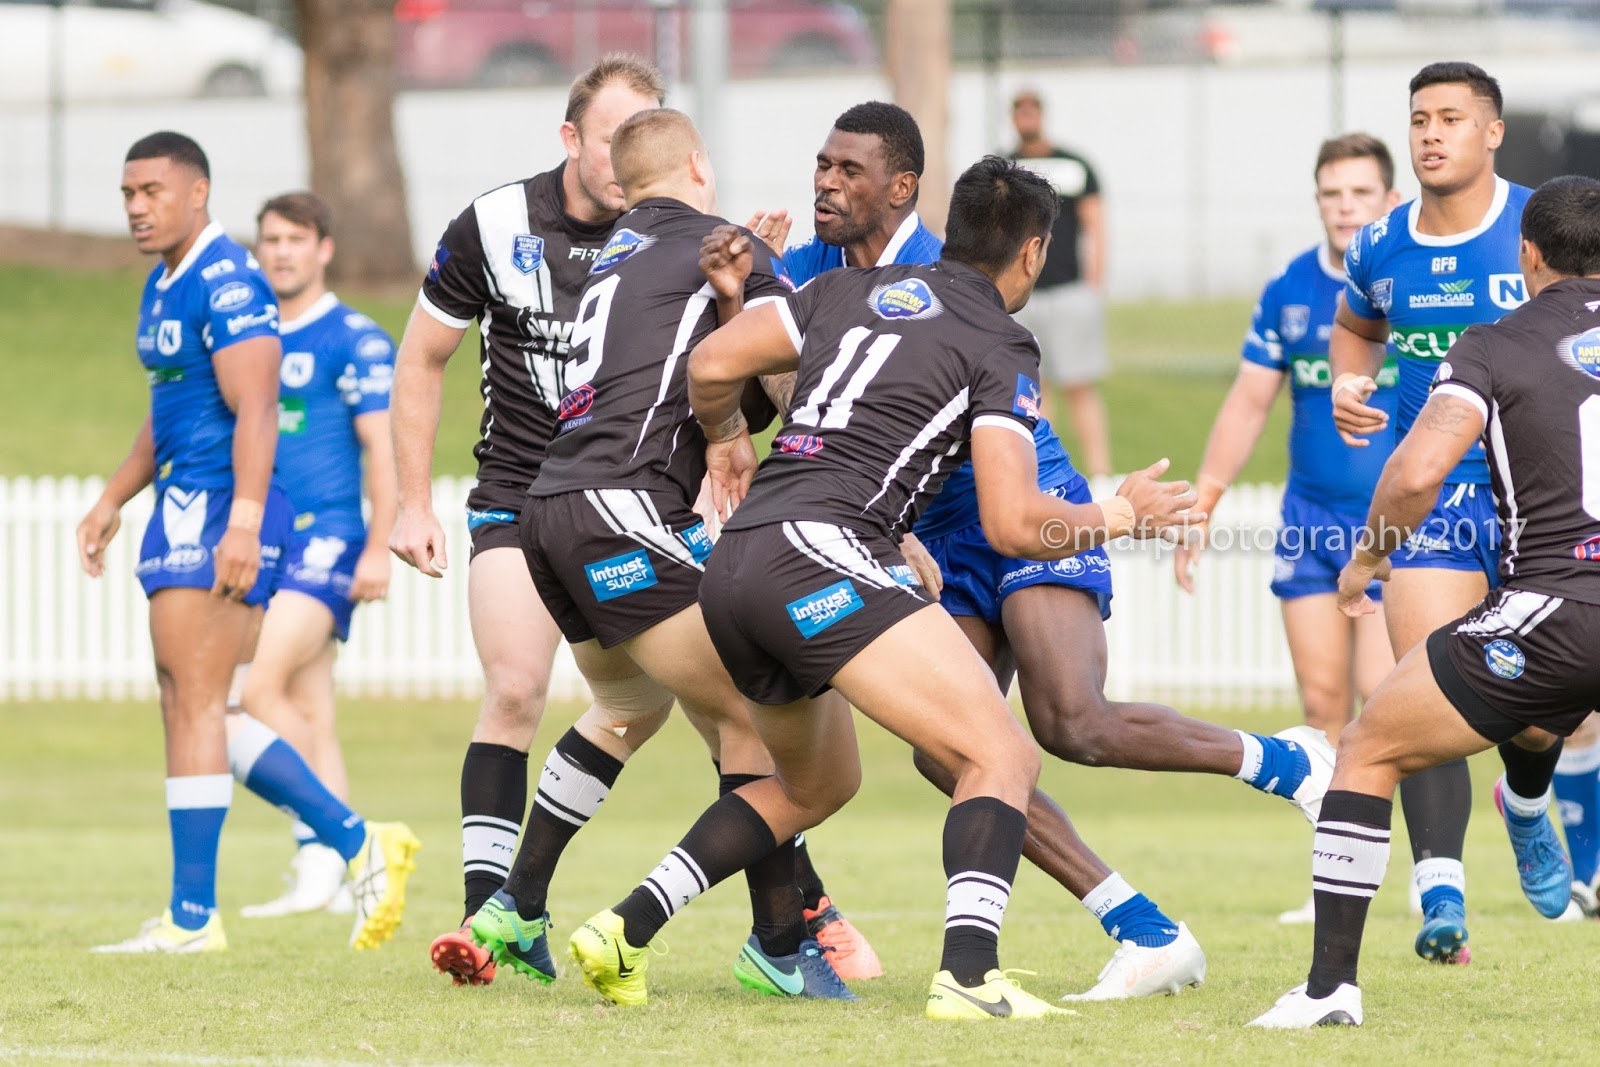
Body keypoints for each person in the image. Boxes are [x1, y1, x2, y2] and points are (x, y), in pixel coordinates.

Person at [564, 155, 1202, 1020]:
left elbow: (713, 361)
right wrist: (1118, 514)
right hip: (825, 553)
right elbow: (1014, 523)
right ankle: (970, 977)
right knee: (1000, 754)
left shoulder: (842, 291)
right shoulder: (1001, 341)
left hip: (737, 561)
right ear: (1033, 253)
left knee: (811, 787)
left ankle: (624, 927)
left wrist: (725, 436)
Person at [776, 102, 1334, 1000]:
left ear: (905, 192)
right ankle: (1143, 929)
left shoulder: (945, 273)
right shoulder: (806, 268)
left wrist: (1109, 511)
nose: (826, 186)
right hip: (941, 536)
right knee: (949, 747)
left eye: (847, 171)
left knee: (1072, 722)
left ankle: (1287, 761)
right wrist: (739, 296)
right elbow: (792, 391)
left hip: (1030, 509)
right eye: (823, 167)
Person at [389, 54, 872, 986]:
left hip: (549, 512)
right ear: (700, 170)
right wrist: (760, 293)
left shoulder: (611, 256)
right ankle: (777, 940)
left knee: (626, 704)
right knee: (754, 712)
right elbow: (778, 386)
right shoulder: (719, 242)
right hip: (619, 508)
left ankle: (512, 908)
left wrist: (732, 304)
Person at [1250, 174, 1600, 1029]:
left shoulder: (1493, 343)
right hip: (1554, 615)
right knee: (1521, 702)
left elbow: (1412, 474)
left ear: (1527, 255)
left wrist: (1365, 561)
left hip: (1564, 609)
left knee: (1370, 742)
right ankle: (1522, 799)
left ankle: (1330, 991)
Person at [77, 132, 417, 954]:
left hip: (223, 510)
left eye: (152, 190)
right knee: (193, 701)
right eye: (127, 192)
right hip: (183, 503)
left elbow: (257, 406)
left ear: (198, 193)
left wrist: (241, 519)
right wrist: (113, 497)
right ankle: (338, 848)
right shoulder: (166, 283)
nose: (135, 206)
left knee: (207, 699)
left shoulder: (227, 281)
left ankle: (225, 902)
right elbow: (170, 412)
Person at [1328, 61, 1576, 958]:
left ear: (1493, 132)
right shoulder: (1379, 243)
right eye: (1420, 118)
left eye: (1452, 119)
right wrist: (1352, 380)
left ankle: (1530, 797)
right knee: (1422, 686)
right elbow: (1357, 325)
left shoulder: (1538, 231)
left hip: (1534, 500)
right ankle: (1442, 896)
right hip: (1429, 495)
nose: (1432, 133)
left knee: (1539, 712)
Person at [1176, 134, 1402, 923]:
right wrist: (1203, 499)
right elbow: (1247, 402)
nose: (1345, 207)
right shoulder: (1288, 290)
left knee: (1383, 697)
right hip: (1309, 521)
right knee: (1321, 700)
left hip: (1396, 528)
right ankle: (1330, 877)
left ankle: (1411, 870)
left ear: (1388, 199)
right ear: (1318, 201)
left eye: (1360, 194)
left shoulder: (1408, 280)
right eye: (1332, 194)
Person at [236, 192, 400, 917]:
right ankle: (337, 871)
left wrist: (380, 544)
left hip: (328, 538)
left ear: (324, 248)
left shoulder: (354, 338)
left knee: (257, 692)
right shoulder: (251, 337)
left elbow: (382, 447)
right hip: (266, 545)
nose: (280, 251)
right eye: (269, 239)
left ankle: (342, 841)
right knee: (311, 708)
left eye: (295, 238)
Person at [1008, 89, 1110, 478]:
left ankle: (1101, 474)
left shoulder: (1075, 166)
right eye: (1021, 111)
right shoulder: (1008, 168)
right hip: (1024, 297)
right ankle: (1044, 472)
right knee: (1036, 389)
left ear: (1042, 115)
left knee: (1080, 385)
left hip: (1070, 291)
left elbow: (1096, 226)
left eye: (1033, 110)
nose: (1027, 117)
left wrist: (1094, 286)